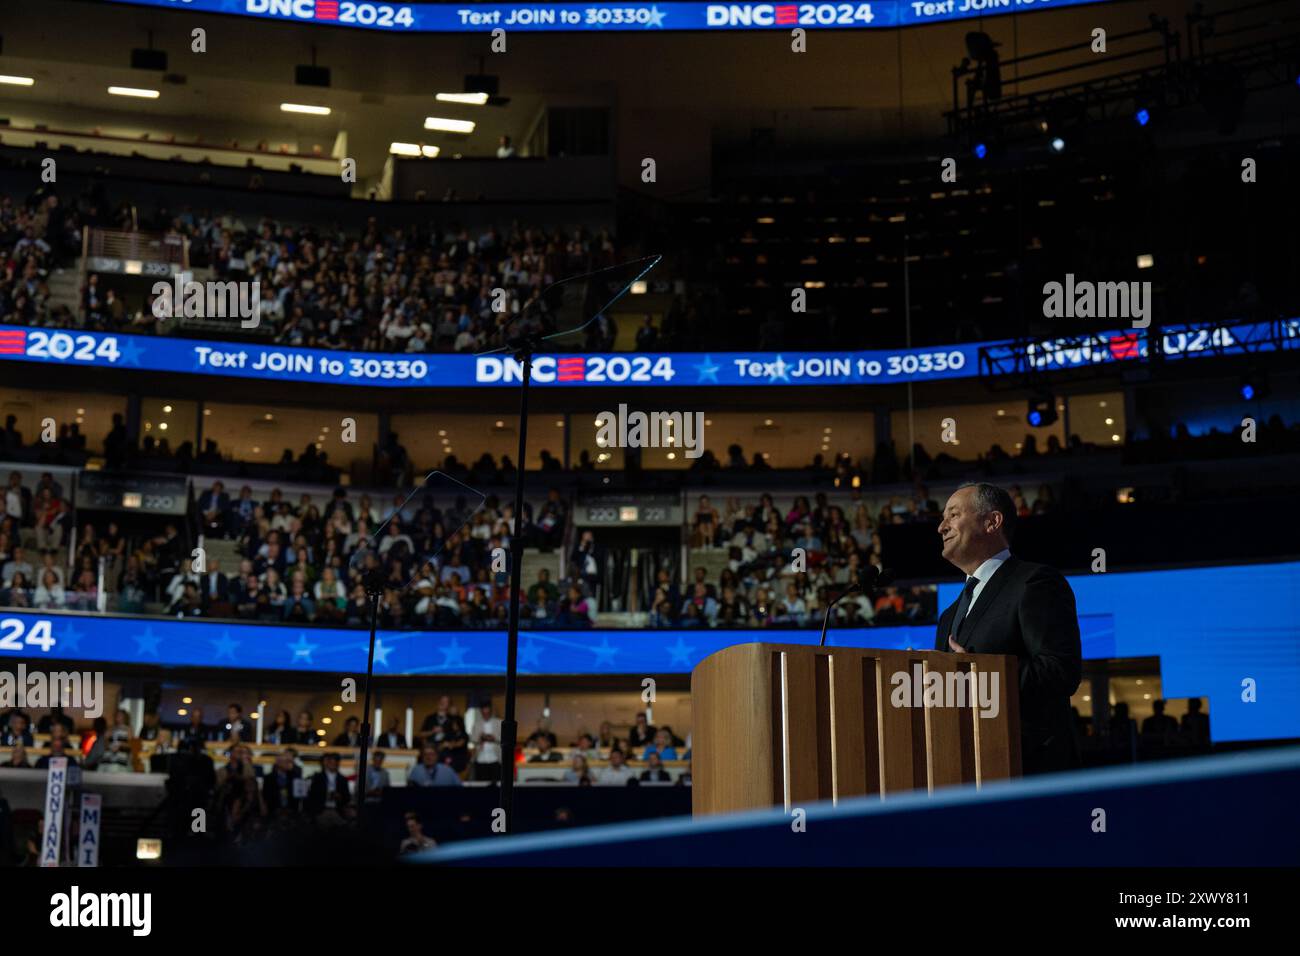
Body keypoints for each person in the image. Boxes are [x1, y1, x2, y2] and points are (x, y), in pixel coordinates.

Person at [936, 482, 1082, 775]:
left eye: (953, 515)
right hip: (965, 770)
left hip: (1029, 769)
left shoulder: (1035, 582)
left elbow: (1060, 672)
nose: (941, 527)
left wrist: (981, 673)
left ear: (992, 522)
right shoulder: (948, 616)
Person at [470, 700, 502, 782]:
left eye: (487, 713)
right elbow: (472, 739)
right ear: (481, 712)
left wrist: (494, 738)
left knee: (496, 784)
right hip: (480, 759)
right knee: (481, 784)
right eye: (484, 713)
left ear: (491, 711)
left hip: (495, 759)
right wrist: (480, 737)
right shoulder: (476, 724)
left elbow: (505, 739)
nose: (486, 715)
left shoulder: (499, 723)